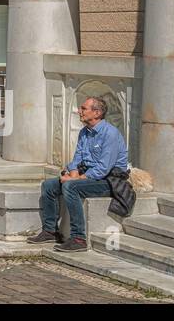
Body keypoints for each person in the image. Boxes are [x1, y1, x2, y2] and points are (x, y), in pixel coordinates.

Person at [29, 96, 129, 252]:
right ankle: (50, 231)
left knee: (70, 187)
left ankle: (78, 238)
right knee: (48, 186)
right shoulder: (85, 132)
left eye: (84, 108)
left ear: (96, 113)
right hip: (88, 176)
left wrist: (75, 179)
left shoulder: (110, 134)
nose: (79, 112)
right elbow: (77, 158)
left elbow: (103, 168)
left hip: (109, 181)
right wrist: (73, 173)